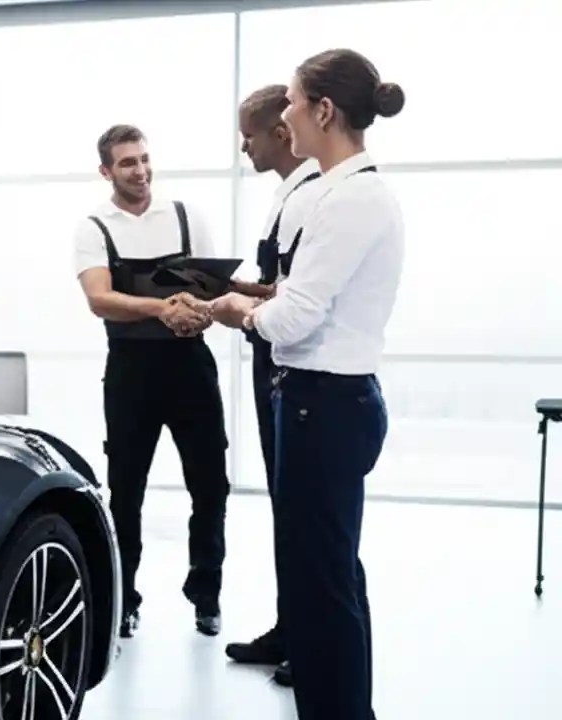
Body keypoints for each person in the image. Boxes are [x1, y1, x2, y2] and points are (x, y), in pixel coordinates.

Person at [211, 48, 405, 720]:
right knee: (329, 579)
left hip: (324, 407)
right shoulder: (338, 192)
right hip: (322, 405)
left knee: (322, 588)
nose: (285, 112)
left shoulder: (350, 199)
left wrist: (239, 310)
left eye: (292, 100)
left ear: (323, 110)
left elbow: (292, 317)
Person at [74, 124, 231, 638]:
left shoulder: (186, 217)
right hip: (130, 371)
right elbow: (100, 298)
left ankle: (206, 594)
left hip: (190, 366)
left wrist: (198, 311)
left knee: (211, 485)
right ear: (106, 171)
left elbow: (214, 291)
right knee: (126, 491)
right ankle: (125, 598)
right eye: (126, 163)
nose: (139, 171)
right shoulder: (94, 227)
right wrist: (162, 308)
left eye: (144, 159)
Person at [222, 84, 324, 688]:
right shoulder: (288, 196)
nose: (243, 146)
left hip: (294, 368)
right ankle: (293, 629)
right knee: (288, 509)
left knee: (304, 515)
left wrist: (240, 302)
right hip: (275, 359)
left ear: (281, 133)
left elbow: (297, 299)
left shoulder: (314, 199)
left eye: (250, 134)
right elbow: (281, 285)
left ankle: (308, 642)